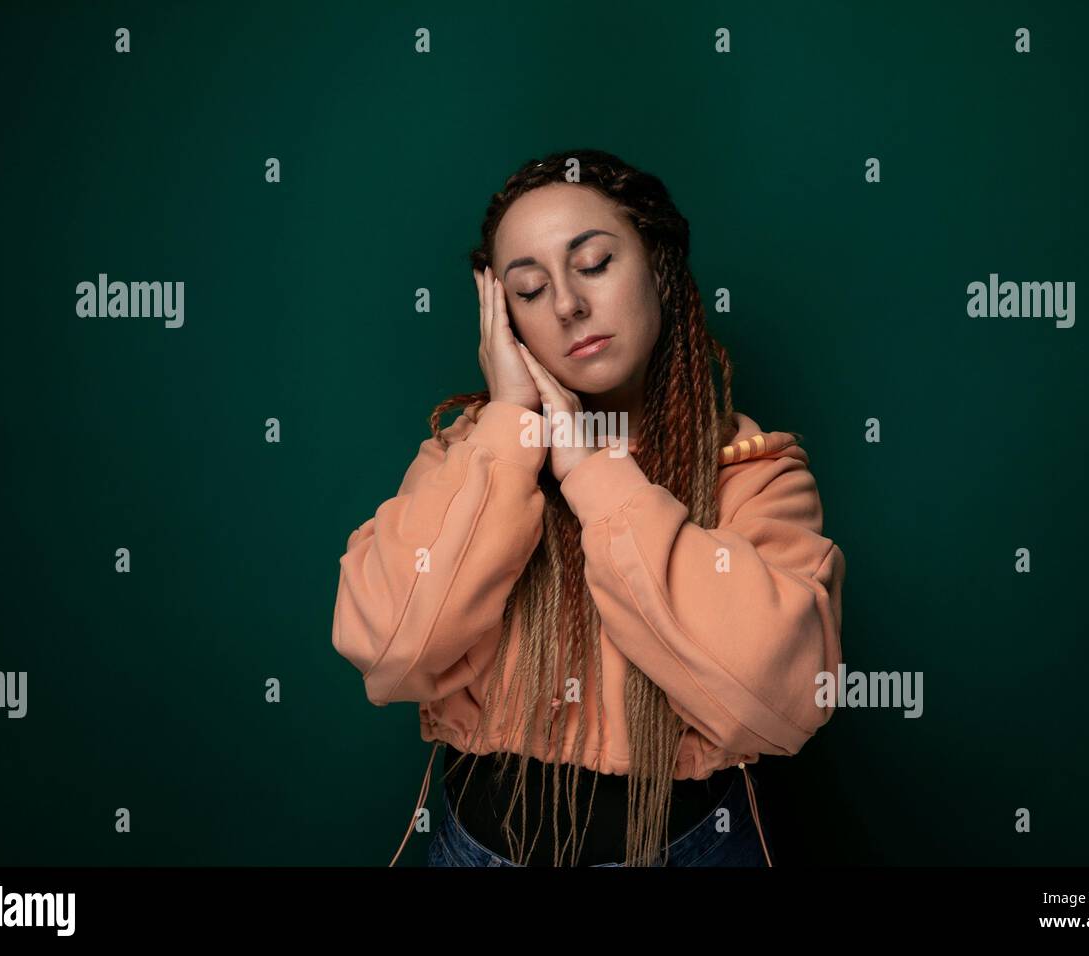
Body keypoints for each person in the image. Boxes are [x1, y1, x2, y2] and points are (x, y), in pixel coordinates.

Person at [331, 148, 846, 867]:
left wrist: (590, 474)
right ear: (503, 323)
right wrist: (512, 425)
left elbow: (780, 704)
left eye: (595, 263)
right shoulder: (467, 458)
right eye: (530, 289)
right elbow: (390, 652)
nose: (568, 304)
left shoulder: (752, 473)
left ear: (658, 269)